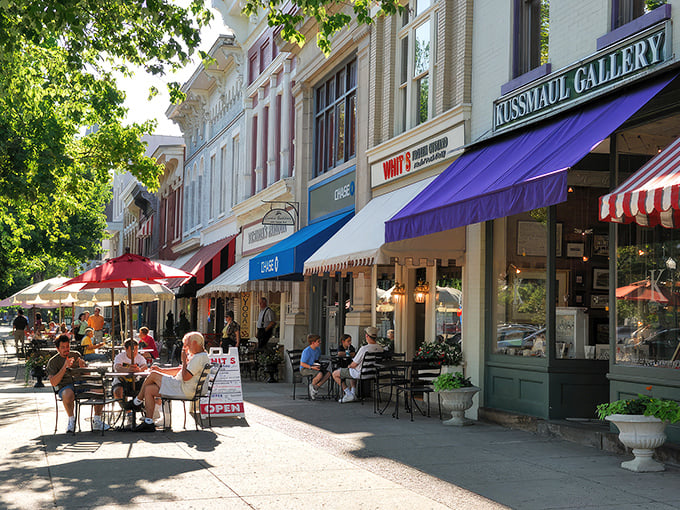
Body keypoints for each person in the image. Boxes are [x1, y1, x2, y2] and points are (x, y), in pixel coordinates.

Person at [127, 331, 209, 432]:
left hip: (184, 389)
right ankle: (148, 422)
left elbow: (186, 377)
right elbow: (180, 371)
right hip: (182, 386)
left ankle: (137, 401)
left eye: (187, 344)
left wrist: (184, 362)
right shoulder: (199, 356)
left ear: (195, 343)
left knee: (152, 375)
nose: (185, 347)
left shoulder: (198, 358)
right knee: (149, 389)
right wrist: (161, 370)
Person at [47, 334, 110, 432]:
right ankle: (71, 421)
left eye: (67, 346)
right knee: (68, 394)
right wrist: (64, 367)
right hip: (66, 386)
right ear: (57, 348)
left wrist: (83, 367)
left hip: (81, 383)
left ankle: (97, 420)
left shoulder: (75, 354)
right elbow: (53, 383)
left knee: (100, 390)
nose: (66, 349)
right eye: (63, 347)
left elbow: (87, 374)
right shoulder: (53, 362)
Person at [332, 326, 383, 403]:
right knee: (352, 371)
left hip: (361, 373)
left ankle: (348, 394)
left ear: (366, 336)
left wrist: (349, 366)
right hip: (373, 373)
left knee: (335, 374)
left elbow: (354, 364)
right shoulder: (380, 348)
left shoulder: (364, 348)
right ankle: (353, 393)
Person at [112, 339, 148, 406]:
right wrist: (128, 369)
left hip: (136, 381)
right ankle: (125, 408)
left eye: (136, 349)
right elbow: (117, 367)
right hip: (121, 381)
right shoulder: (120, 357)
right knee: (117, 391)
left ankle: (141, 406)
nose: (135, 351)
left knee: (147, 388)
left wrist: (139, 369)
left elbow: (144, 366)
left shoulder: (139, 357)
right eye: (132, 349)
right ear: (126, 349)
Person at [300, 334, 331, 400]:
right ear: (313, 342)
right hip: (305, 368)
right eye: (318, 341)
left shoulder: (318, 350)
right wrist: (311, 367)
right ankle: (312, 389)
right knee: (319, 374)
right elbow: (302, 363)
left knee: (328, 373)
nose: (320, 342)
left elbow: (317, 359)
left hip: (315, 366)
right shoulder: (306, 351)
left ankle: (315, 386)